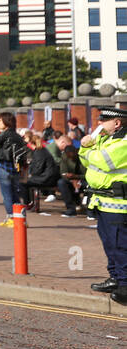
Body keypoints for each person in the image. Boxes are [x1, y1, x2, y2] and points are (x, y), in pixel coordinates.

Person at [78, 106, 127, 302]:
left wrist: (89, 150)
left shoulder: (124, 143)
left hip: (118, 203)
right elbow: (84, 159)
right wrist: (87, 147)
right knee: (109, 243)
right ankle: (115, 277)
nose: (99, 123)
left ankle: (125, 284)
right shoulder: (105, 139)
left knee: (120, 244)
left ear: (117, 123)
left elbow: (102, 162)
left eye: (103, 120)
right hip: (102, 201)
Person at [0, 112, 28, 228]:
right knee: (15, 194)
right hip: (15, 168)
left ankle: (11, 217)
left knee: (6, 194)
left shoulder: (3, 135)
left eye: (0, 121)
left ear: (6, 122)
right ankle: (21, 218)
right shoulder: (17, 136)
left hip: (4, 166)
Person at [55, 134, 87, 218]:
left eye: (73, 156)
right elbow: (63, 172)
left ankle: (91, 212)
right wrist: (71, 178)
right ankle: (70, 209)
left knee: (87, 185)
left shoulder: (82, 157)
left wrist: (76, 177)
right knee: (61, 182)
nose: (71, 158)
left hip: (83, 179)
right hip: (71, 179)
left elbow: (88, 174)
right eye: (69, 156)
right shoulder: (64, 157)